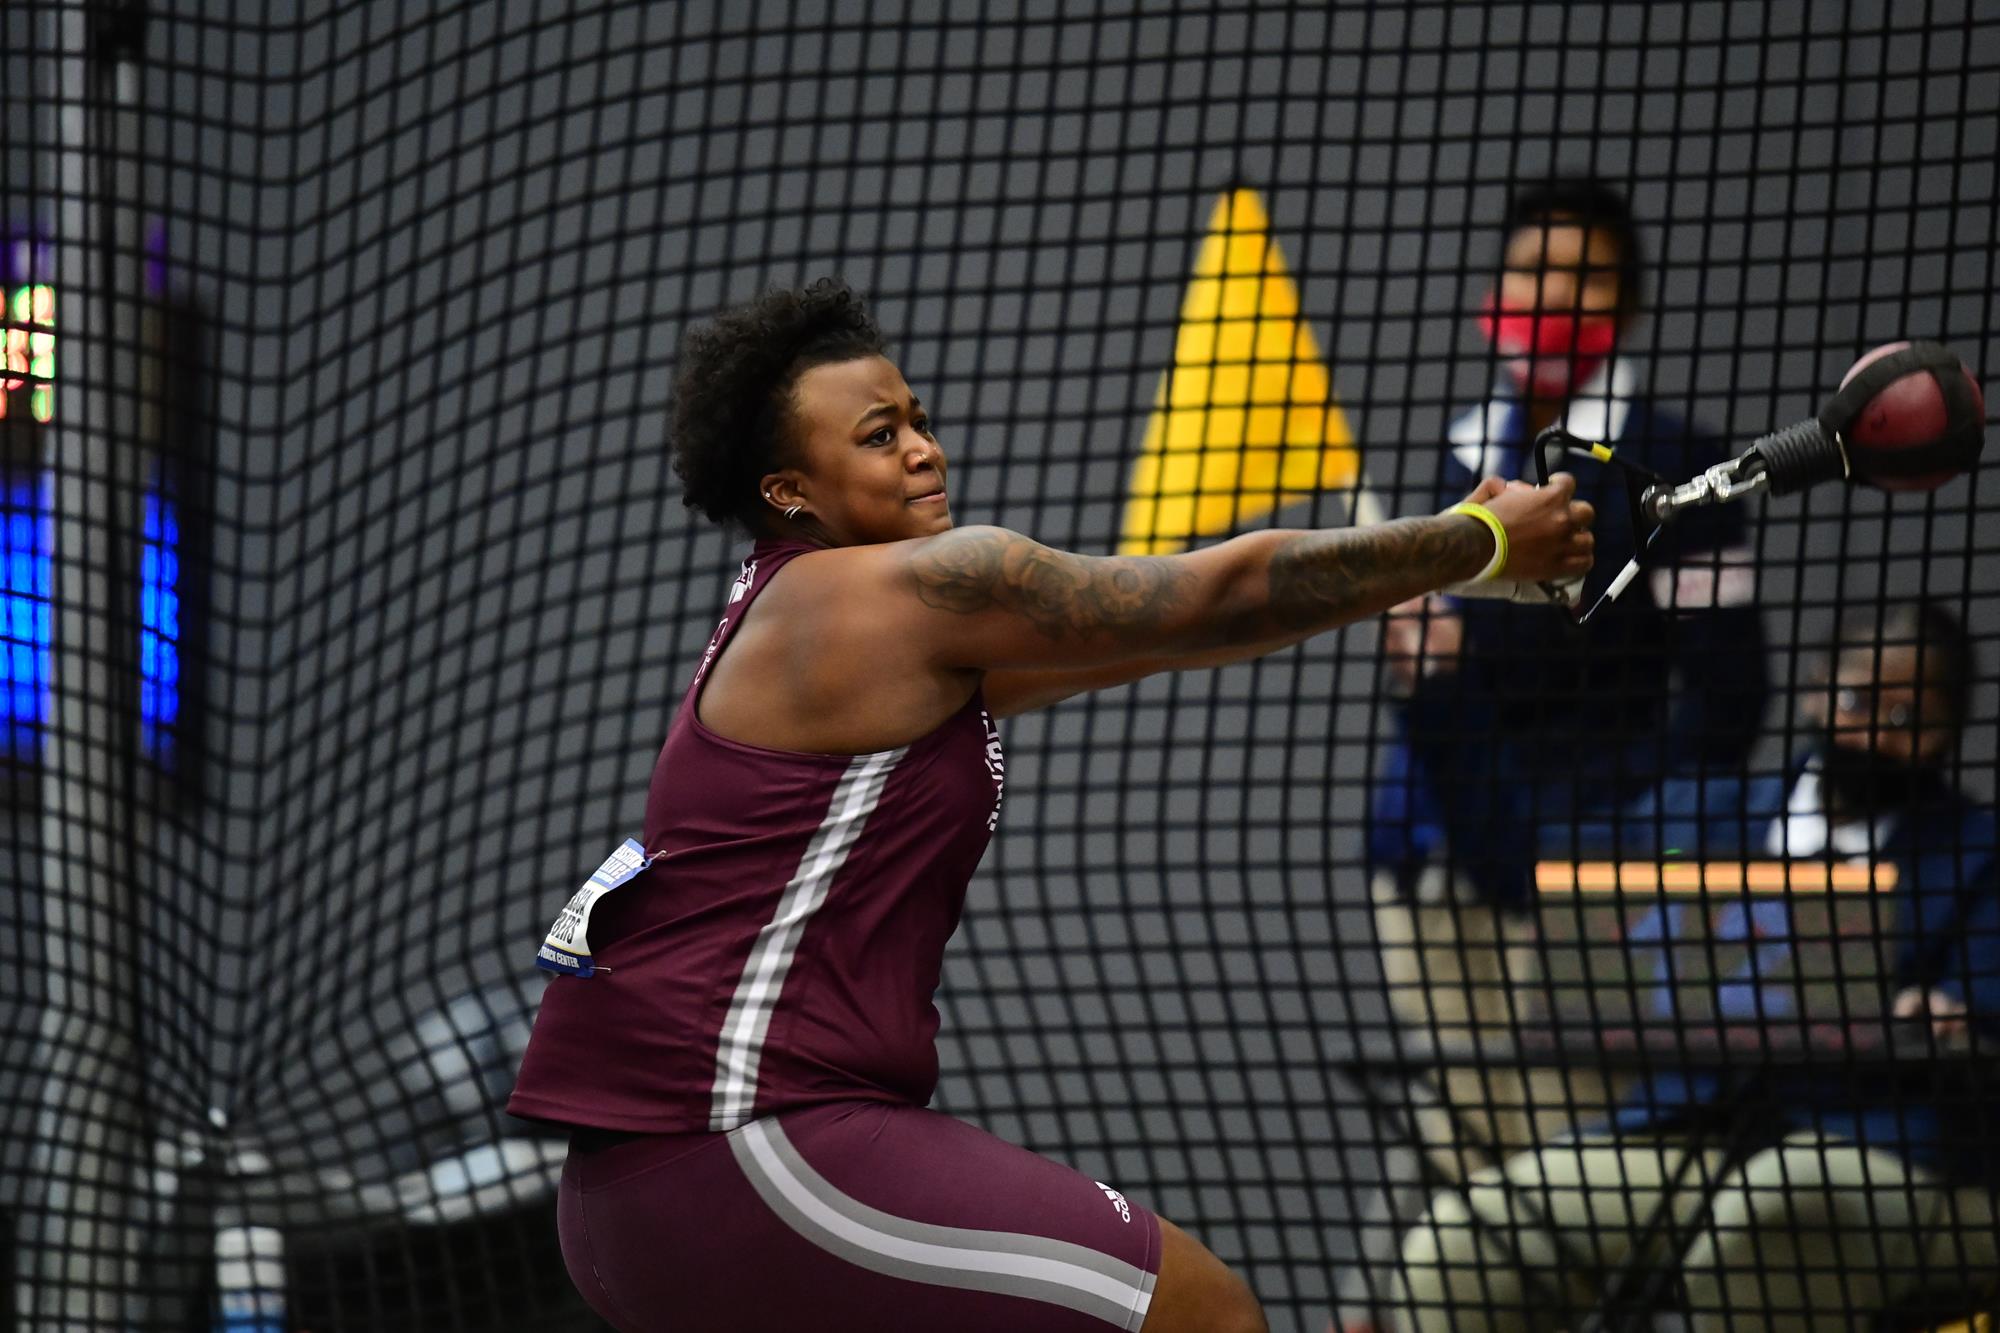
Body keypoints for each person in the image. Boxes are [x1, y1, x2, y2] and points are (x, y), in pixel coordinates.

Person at [506, 278, 1595, 1333]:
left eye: (917, 421)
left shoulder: (824, 615)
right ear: (788, 488)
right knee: (1198, 1312)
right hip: (747, 1150)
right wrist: (1479, 537)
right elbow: (1211, 594)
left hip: (644, 1195)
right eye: (877, 436)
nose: (923, 449)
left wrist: (1442, 567)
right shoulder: (911, 592)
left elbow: (1184, 630)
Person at [1341, 177, 1774, 1332]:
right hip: (1430, 865)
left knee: (1568, 1165)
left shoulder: (1683, 472)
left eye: (1579, 276)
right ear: (1494, 291)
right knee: (1453, 1125)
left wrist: (1617, 843)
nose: (1548, 296)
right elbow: (1431, 686)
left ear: (1621, 306)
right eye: (1531, 269)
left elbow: (1730, 691)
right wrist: (1418, 663)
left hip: (1584, 885)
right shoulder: (1453, 462)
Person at [1395, 600, 2000, 1333]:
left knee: (1767, 1209)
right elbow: (1524, 870)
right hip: (1691, 1134)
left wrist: (1950, 1024)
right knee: (1459, 1242)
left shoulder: (1979, 856)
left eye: (1906, 719)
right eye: (1857, 701)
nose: (1873, 732)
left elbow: (1977, 1020)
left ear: (1947, 733)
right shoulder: (1701, 817)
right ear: (1815, 687)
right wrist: (1444, 691)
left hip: (1883, 1147)